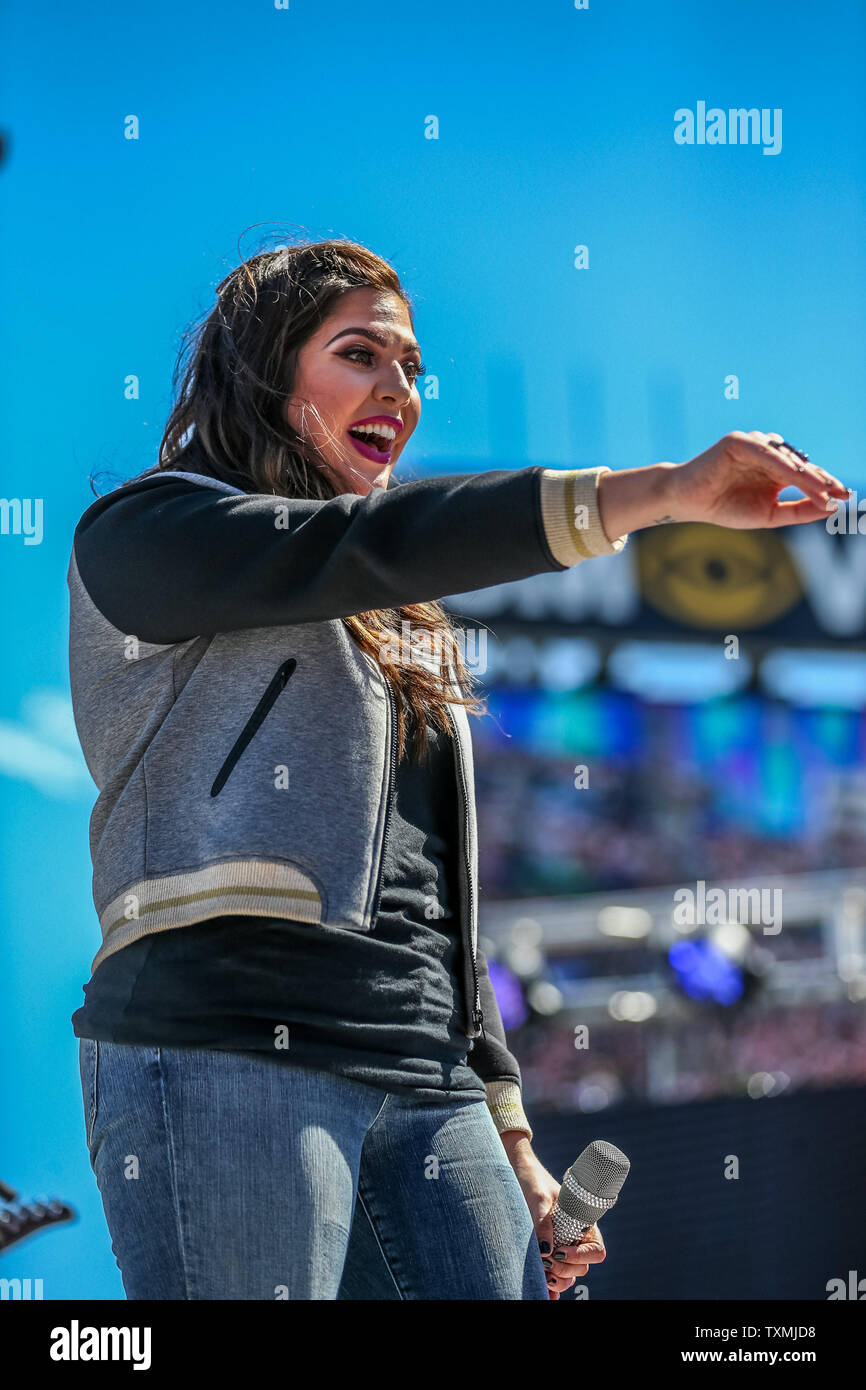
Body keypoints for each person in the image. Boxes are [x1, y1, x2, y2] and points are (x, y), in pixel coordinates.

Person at [68, 238, 847, 1301]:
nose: (399, 389)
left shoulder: (406, 628)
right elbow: (365, 542)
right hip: (225, 1040)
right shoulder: (145, 533)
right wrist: (660, 492)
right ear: (262, 370)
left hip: (429, 1082)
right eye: (359, 355)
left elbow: (441, 903)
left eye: (410, 365)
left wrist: (509, 1127)